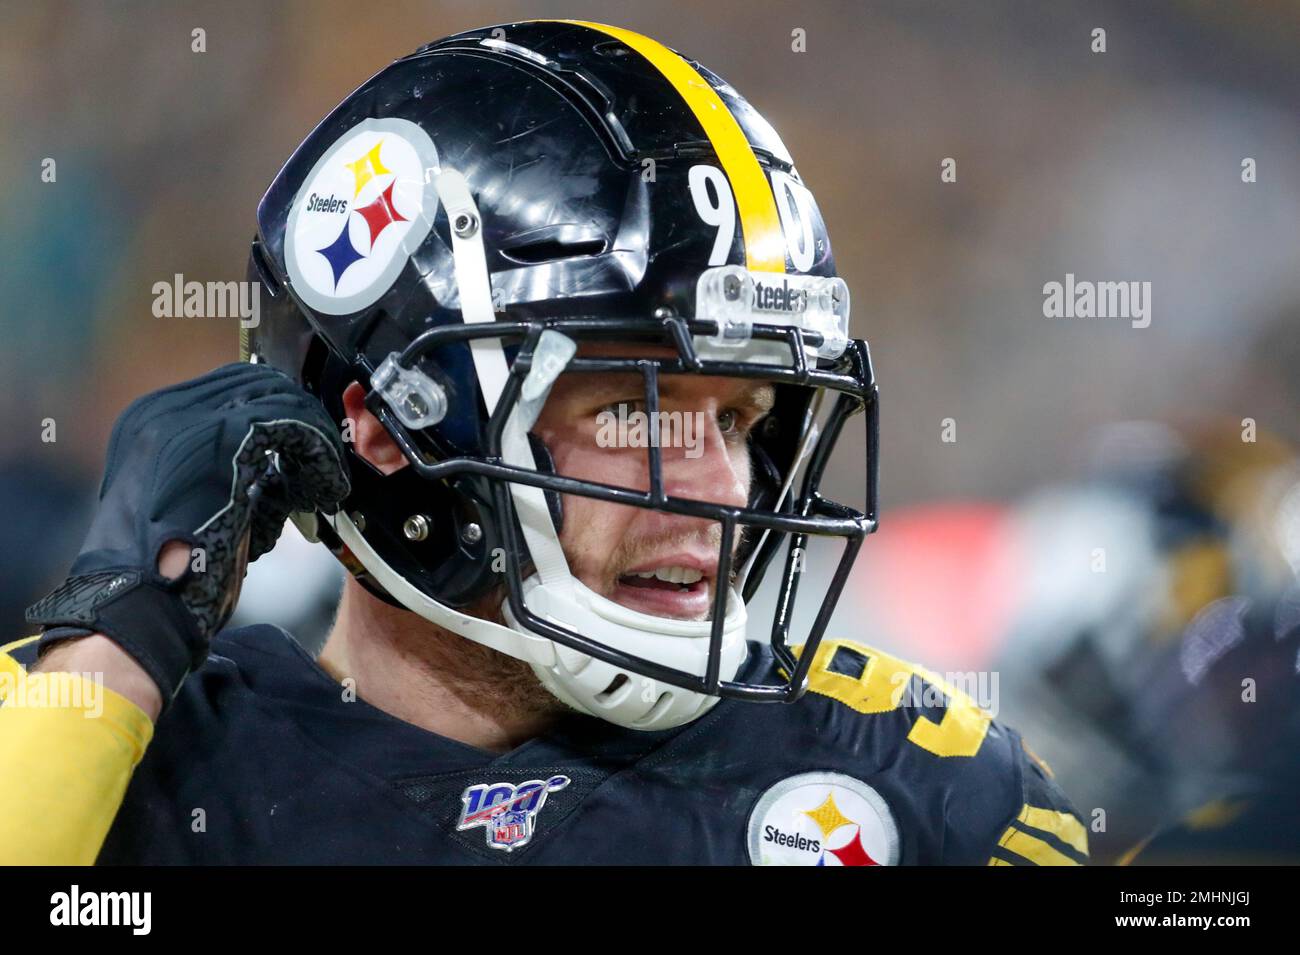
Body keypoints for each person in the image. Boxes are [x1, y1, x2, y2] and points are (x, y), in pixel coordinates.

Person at [0, 20, 1085, 865]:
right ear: (387, 429)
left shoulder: (912, 780)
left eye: (740, 417)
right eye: (634, 412)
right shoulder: (113, 744)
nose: (720, 478)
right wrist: (114, 639)